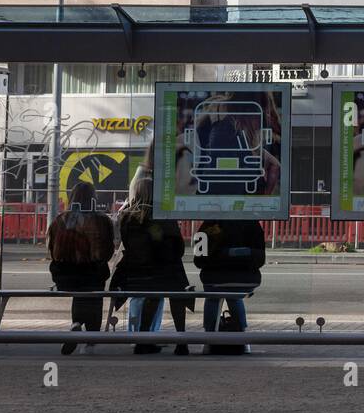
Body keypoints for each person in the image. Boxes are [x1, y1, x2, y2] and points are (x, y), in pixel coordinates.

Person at [110, 149, 193, 354]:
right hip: (162, 273)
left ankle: (143, 340)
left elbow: (125, 244)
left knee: (153, 294)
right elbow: (178, 248)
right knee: (176, 291)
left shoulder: (127, 218)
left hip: (136, 274)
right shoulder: (164, 217)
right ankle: (181, 341)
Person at [47, 180, 115, 355]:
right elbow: (108, 251)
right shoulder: (101, 220)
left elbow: (52, 249)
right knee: (94, 295)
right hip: (93, 275)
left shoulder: (60, 220)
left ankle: (76, 323)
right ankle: (91, 341)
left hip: (65, 277)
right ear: (93, 198)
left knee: (79, 294)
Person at [193, 218, 266, 354]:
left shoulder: (209, 224)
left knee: (213, 297)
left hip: (214, 278)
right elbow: (260, 258)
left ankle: (208, 337)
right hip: (246, 279)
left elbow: (198, 260)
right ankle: (242, 335)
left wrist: (219, 257)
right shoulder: (251, 223)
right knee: (234, 297)